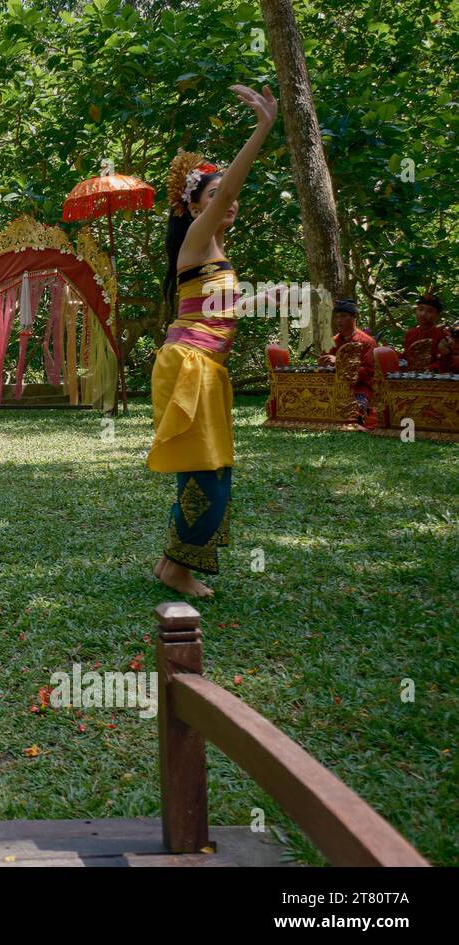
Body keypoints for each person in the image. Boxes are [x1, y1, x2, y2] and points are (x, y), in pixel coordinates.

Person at [148, 83, 277, 598]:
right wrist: (263, 128)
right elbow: (226, 191)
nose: (230, 201)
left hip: (204, 366)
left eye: (227, 195)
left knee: (209, 468)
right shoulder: (197, 239)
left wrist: (268, 300)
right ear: (195, 207)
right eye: (215, 195)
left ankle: (170, 565)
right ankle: (178, 569)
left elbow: (218, 309)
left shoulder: (213, 255)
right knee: (209, 473)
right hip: (191, 364)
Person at [317, 299, 377, 421]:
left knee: (353, 412)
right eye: (337, 317)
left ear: (354, 316)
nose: (339, 320)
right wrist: (323, 365)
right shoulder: (332, 342)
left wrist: (340, 363)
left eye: (343, 316)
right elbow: (325, 369)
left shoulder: (368, 342)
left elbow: (369, 372)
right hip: (333, 387)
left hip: (359, 388)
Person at [403, 292, 445, 368]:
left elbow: (445, 361)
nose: (423, 314)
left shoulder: (442, 334)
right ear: (416, 310)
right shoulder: (411, 333)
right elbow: (406, 357)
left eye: (430, 311)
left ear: (437, 315)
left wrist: (427, 368)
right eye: (421, 309)